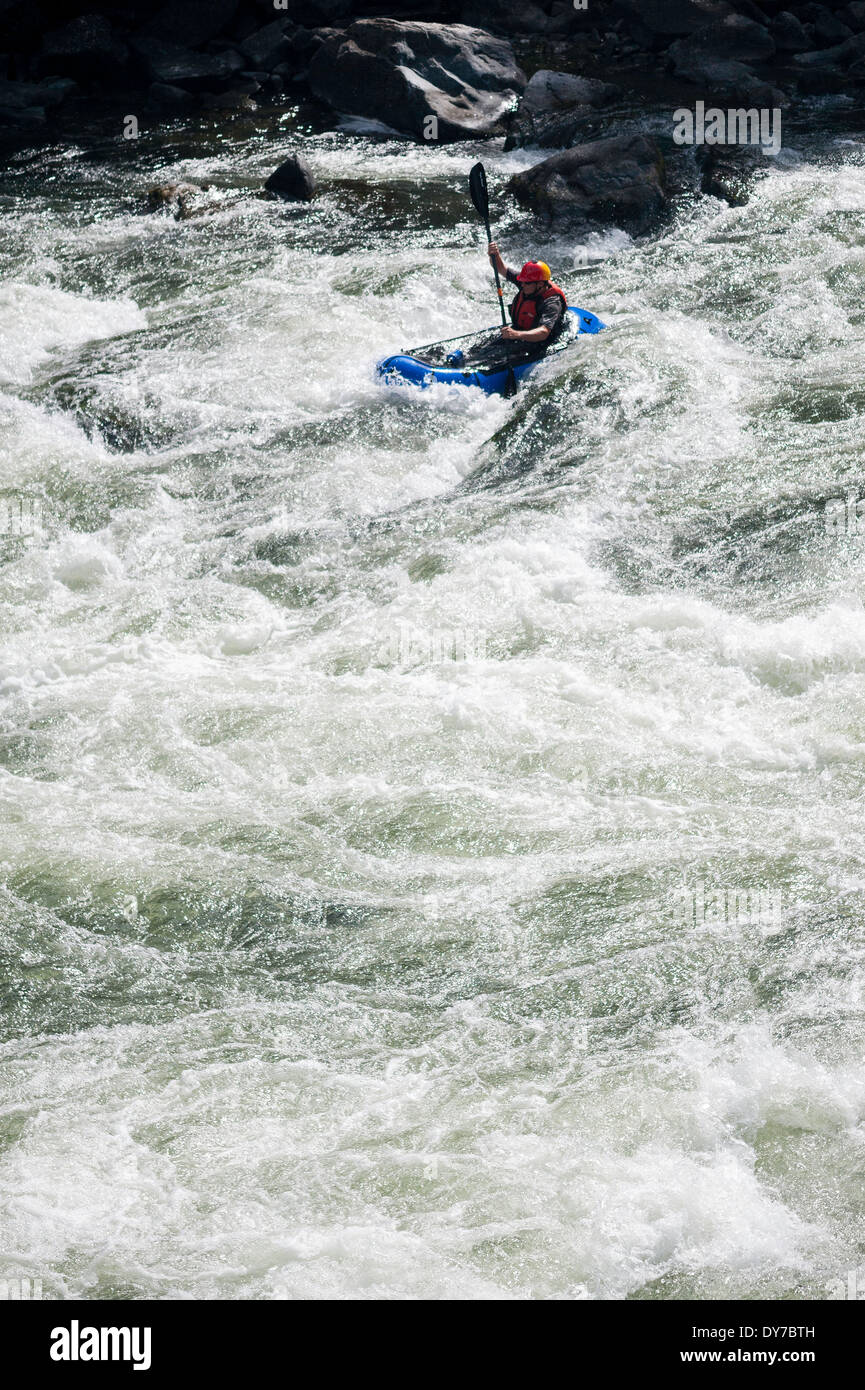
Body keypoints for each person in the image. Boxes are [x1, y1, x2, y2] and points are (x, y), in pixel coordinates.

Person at [487, 242, 569, 347]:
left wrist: (515, 334)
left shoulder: (552, 302)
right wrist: (495, 254)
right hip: (520, 333)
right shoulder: (527, 281)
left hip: (541, 342)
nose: (522, 284)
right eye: (522, 281)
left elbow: (544, 332)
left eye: (526, 283)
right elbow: (501, 268)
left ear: (540, 284)